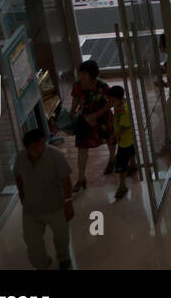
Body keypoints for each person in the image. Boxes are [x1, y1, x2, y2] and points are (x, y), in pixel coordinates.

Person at [12, 128, 74, 270]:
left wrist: (68, 202)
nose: (40, 149)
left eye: (42, 144)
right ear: (27, 148)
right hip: (31, 211)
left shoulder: (55, 156)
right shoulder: (20, 158)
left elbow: (66, 180)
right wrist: (22, 195)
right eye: (35, 147)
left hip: (55, 207)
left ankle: (63, 258)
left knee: (61, 237)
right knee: (32, 243)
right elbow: (18, 177)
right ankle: (42, 263)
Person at [68, 59, 114, 193]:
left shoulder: (102, 86)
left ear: (92, 74)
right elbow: (75, 99)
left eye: (84, 73)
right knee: (82, 148)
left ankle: (112, 160)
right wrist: (71, 114)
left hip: (103, 119)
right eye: (80, 73)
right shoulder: (77, 86)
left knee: (110, 140)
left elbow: (110, 104)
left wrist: (95, 115)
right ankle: (81, 178)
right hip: (85, 121)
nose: (81, 76)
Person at [107, 85, 137, 200]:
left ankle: (122, 186)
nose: (110, 103)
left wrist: (116, 135)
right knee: (131, 151)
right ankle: (133, 166)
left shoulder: (123, 111)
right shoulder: (121, 105)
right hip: (129, 139)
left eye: (112, 101)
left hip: (124, 140)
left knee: (121, 163)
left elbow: (127, 126)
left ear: (119, 99)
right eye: (109, 100)